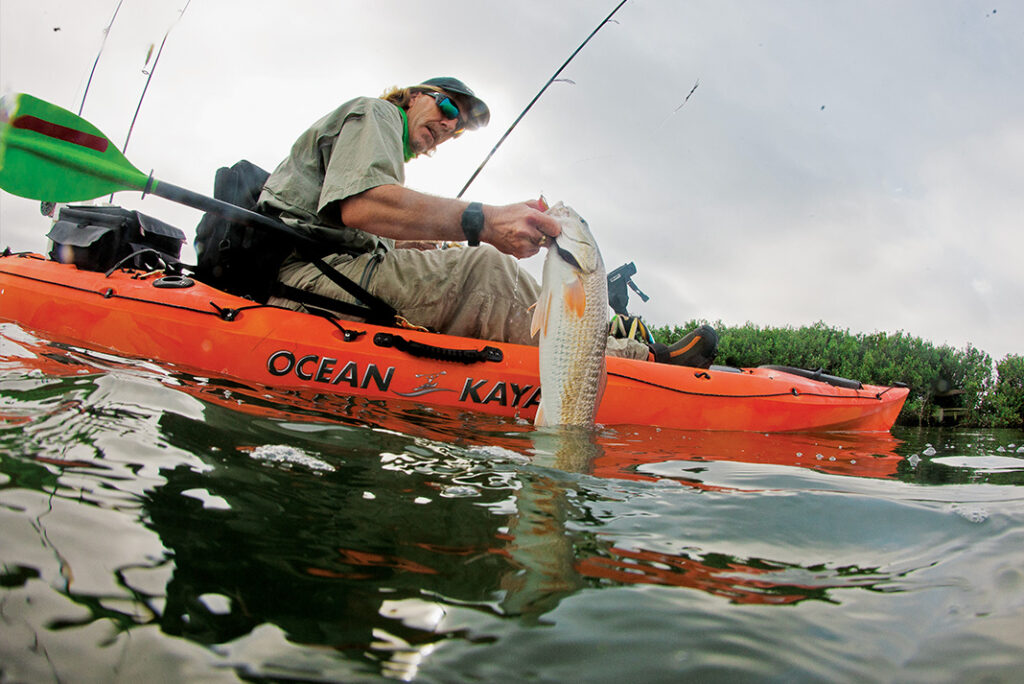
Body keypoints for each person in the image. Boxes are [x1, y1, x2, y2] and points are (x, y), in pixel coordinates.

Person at [258, 77, 716, 367]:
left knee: (462, 259)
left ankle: (611, 338)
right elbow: (363, 208)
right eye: (447, 109)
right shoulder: (377, 113)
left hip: (333, 268)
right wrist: (484, 222)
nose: (449, 126)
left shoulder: (383, 151)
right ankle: (641, 359)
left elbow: (369, 231)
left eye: (456, 127)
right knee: (484, 271)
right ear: (414, 96)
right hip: (305, 274)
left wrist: (435, 247)